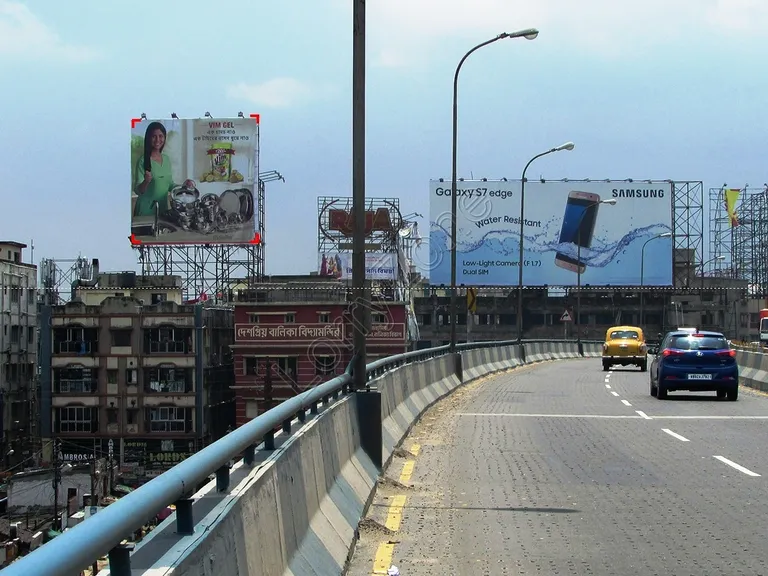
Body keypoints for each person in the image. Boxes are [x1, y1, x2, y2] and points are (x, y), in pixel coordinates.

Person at [133, 121, 194, 217]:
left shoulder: (166, 159)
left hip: (162, 209)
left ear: (164, 138)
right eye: (154, 136)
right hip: (146, 211)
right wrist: (146, 181)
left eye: (161, 136)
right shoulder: (143, 161)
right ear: (149, 138)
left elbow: (169, 185)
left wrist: (184, 186)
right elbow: (137, 190)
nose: (157, 140)